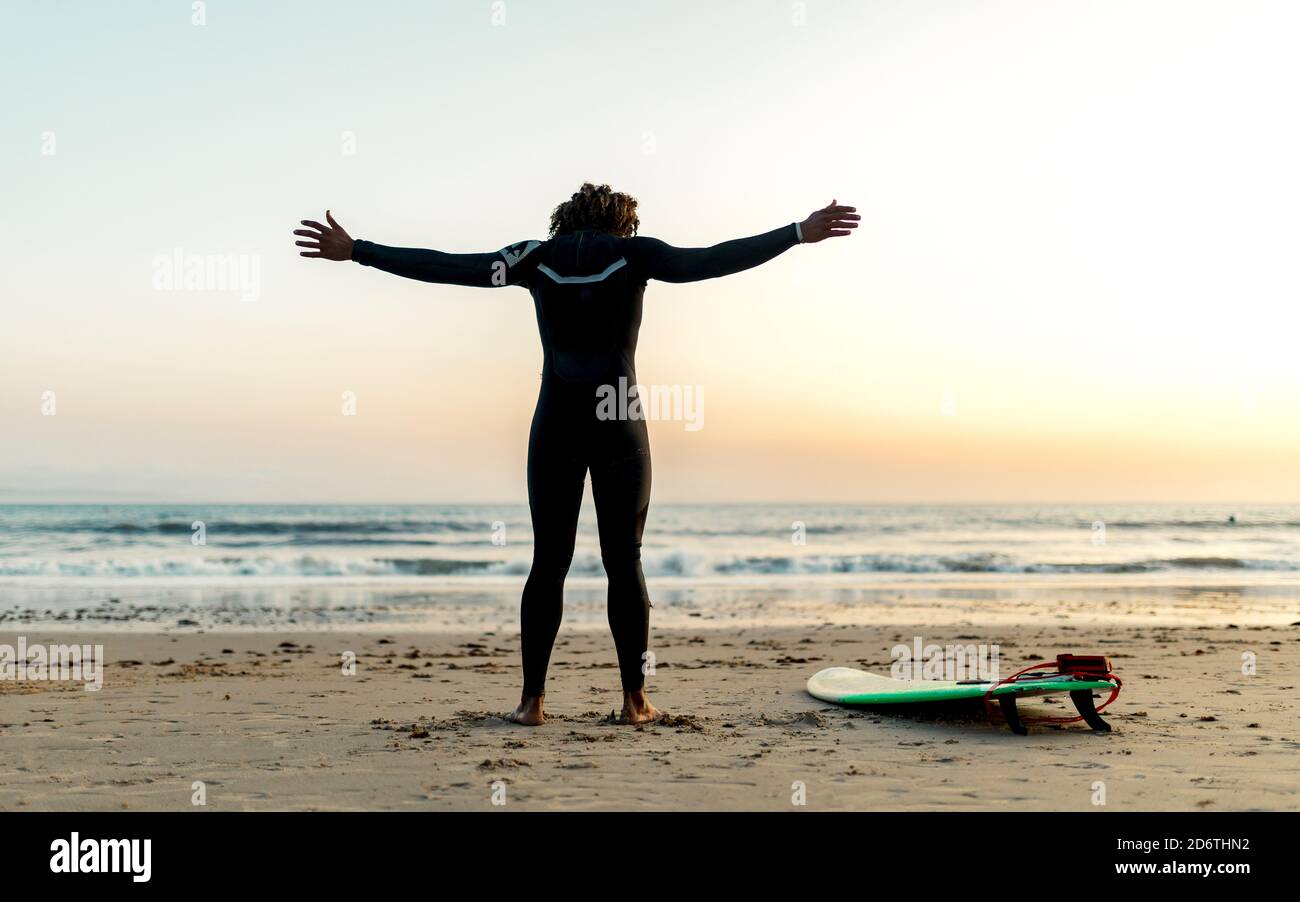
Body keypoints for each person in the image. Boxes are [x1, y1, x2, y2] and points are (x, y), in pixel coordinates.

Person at [293, 183, 858, 724]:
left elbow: (449, 266)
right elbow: (708, 260)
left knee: (549, 563)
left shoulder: (532, 258)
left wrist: (359, 251)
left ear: (567, 218)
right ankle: (635, 702)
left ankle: (531, 704)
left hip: (557, 421)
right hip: (619, 419)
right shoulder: (638, 255)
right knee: (624, 561)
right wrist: (795, 233)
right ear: (622, 221)